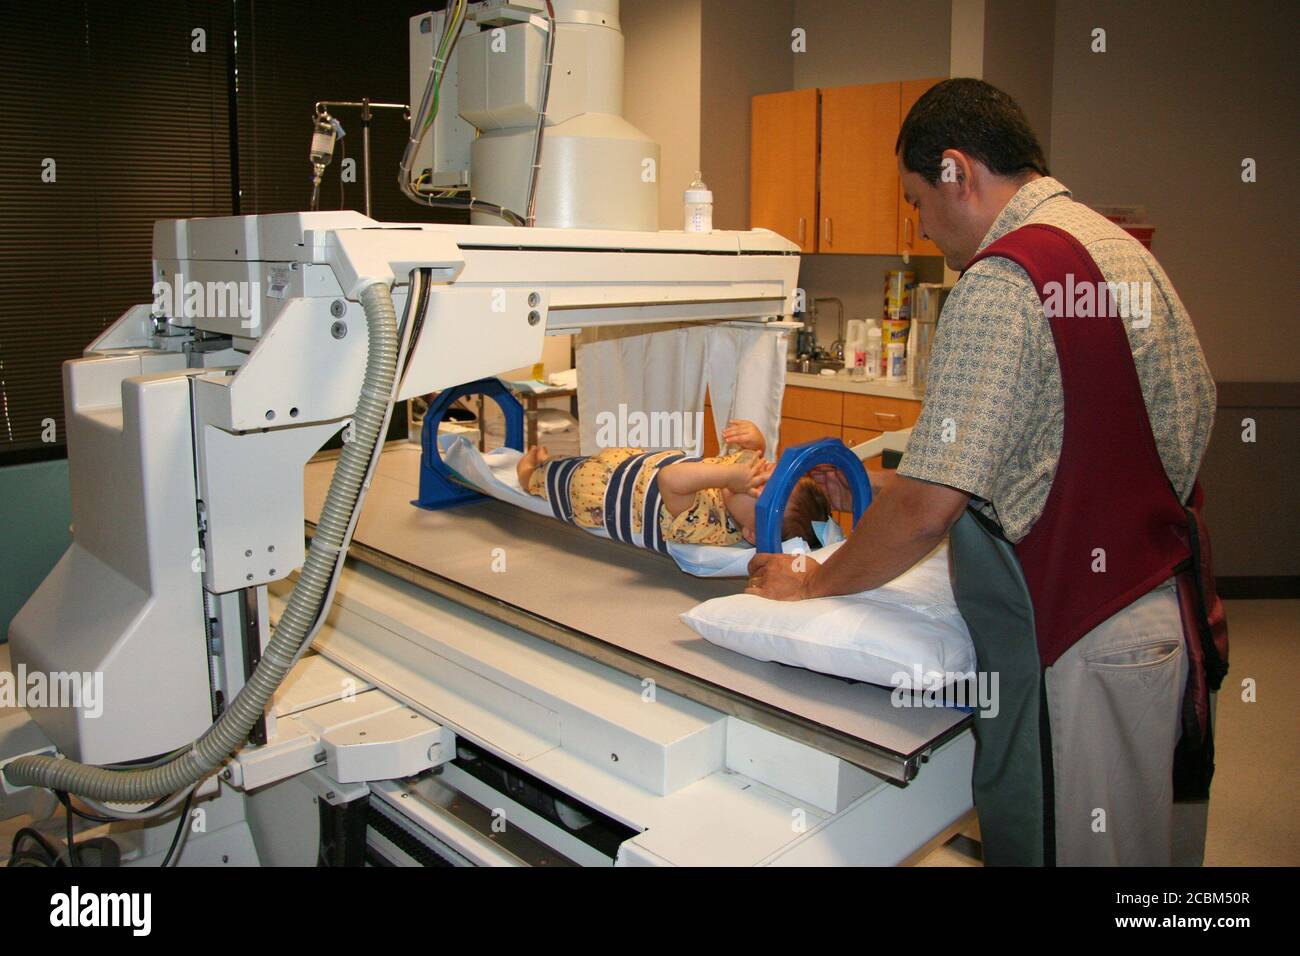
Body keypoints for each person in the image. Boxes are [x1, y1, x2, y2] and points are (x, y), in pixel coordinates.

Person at [746, 78, 1217, 866]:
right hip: (1157, 615)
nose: (921, 225)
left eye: (917, 198)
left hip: (1071, 644)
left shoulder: (1002, 282)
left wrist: (812, 584)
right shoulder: (1123, 252)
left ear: (957, 171)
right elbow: (1190, 421)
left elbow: (928, 503)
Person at [518, 418, 831, 548]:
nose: (758, 477)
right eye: (774, 475)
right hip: (629, 463)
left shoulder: (710, 528)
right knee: (582, 459)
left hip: (602, 496)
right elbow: (749, 455)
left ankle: (529, 470)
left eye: (760, 491)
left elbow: (671, 481)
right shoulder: (741, 478)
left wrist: (728, 477)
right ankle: (553, 462)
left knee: (556, 480)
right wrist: (754, 437)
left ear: (750, 533)